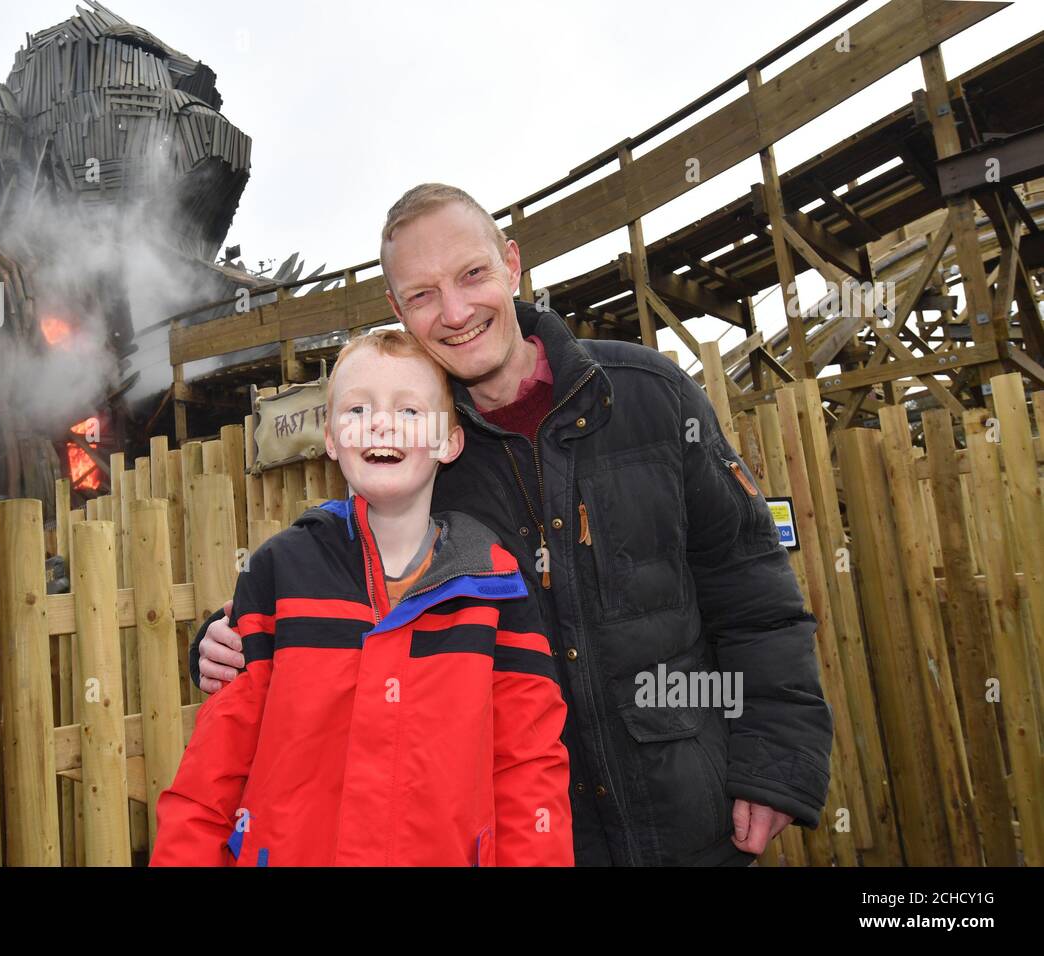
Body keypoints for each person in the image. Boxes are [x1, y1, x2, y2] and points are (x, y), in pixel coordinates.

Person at [193, 183, 834, 866]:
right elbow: (332, 597)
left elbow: (752, 591)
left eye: (472, 274)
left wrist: (774, 761)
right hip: (517, 836)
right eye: (422, 294)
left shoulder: (650, 396)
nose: (456, 311)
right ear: (397, 309)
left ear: (511, 264)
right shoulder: (418, 457)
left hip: (691, 820)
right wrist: (223, 636)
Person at [151, 328, 574, 866]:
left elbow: (528, 767)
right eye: (357, 409)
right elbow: (214, 769)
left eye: (410, 411)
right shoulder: (278, 572)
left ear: (449, 440)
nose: (380, 422)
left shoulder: (498, 587)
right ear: (330, 438)